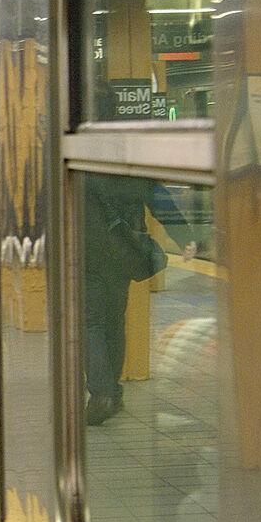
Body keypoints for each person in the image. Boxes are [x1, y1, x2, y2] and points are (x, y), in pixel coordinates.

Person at [82, 174, 199, 425]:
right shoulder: (127, 161)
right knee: (113, 321)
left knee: (90, 323)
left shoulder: (79, 158)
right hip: (122, 251)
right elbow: (157, 196)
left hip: (85, 251)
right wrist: (185, 236)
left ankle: (102, 394)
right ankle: (111, 393)